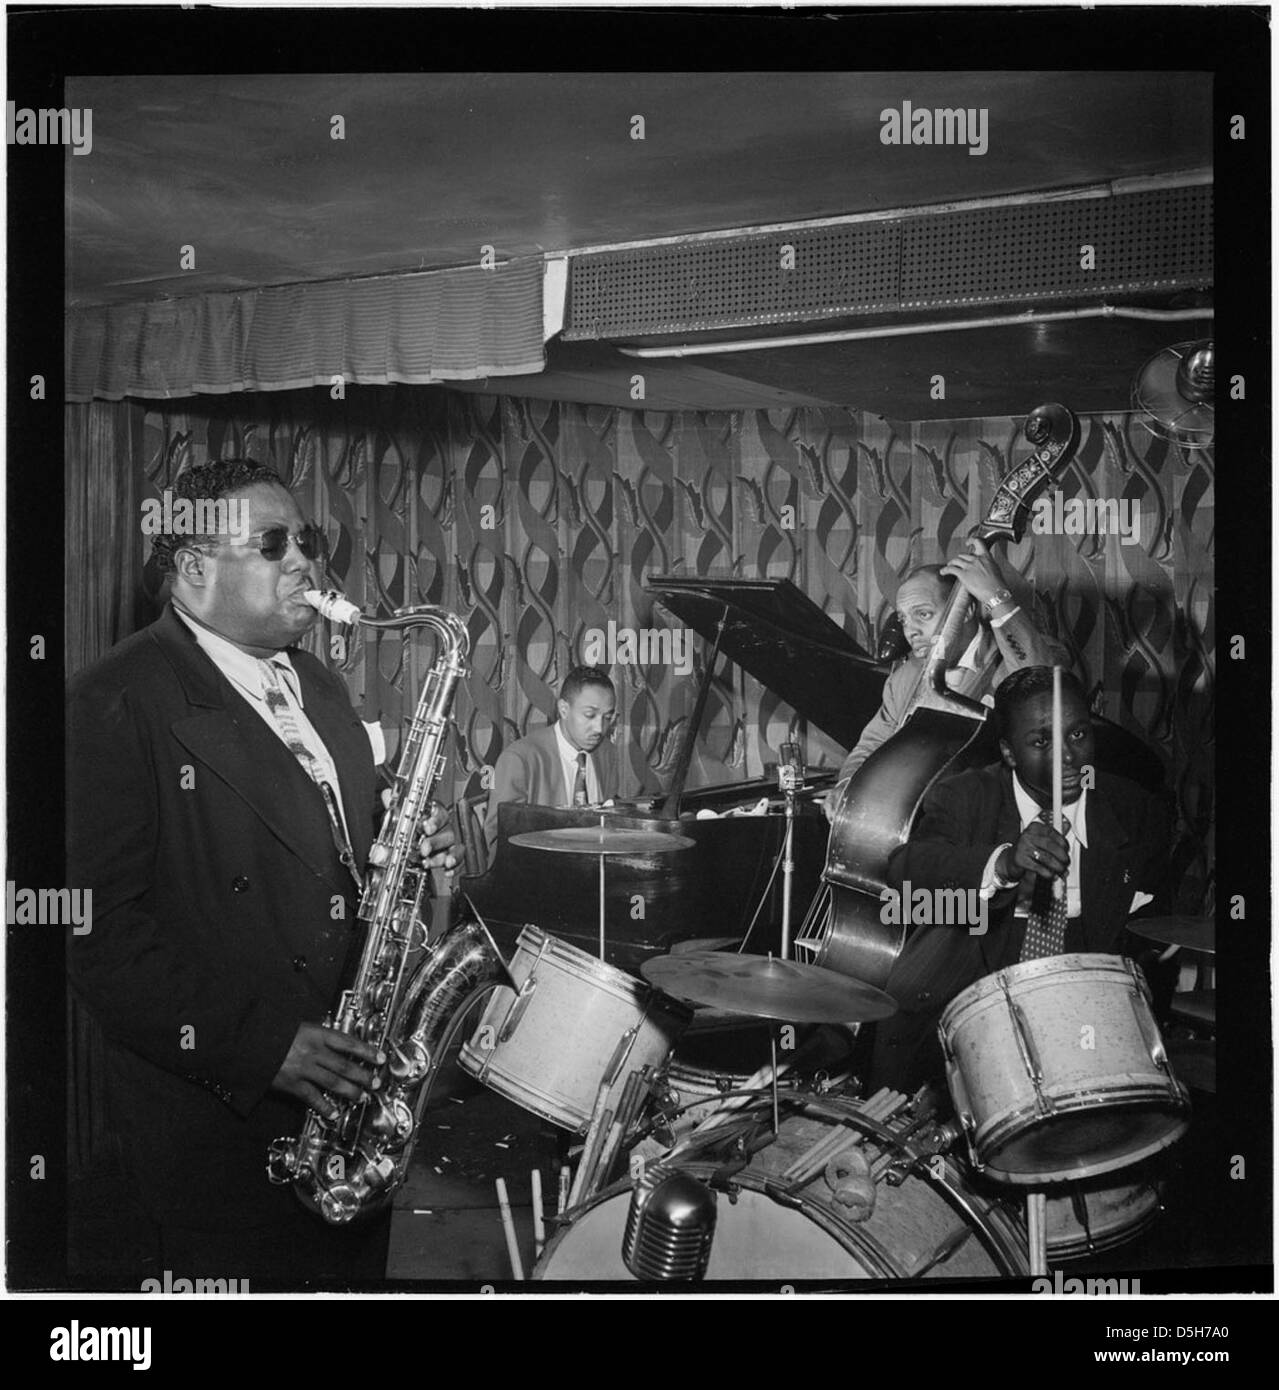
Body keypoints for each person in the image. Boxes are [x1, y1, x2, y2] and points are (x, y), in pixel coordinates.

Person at [67, 458, 458, 1287]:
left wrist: (409, 848)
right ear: (195, 568)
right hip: (221, 1132)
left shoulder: (315, 681)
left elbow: (328, 845)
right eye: (274, 543)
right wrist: (259, 1048)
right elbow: (94, 934)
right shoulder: (111, 699)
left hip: (348, 1110)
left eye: (305, 541)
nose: (306, 564)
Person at [867, 666, 1170, 1093]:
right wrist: (1003, 864)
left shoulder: (1134, 811)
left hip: (1084, 1010)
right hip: (964, 991)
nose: (1067, 757)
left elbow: (1153, 934)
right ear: (1009, 752)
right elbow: (907, 875)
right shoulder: (964, 796)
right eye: (1041, 741)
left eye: (1078, 735)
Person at [824, 540, 1069, 818]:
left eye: (923, 615)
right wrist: (848, 784)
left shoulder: (1024, 654)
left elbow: (1039, 680)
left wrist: (995, 596)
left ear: (965, 611)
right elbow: (872, 744)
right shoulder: (904, 678)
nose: (911, 631)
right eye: (904, 619)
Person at [484, 665, 619, 856]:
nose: (599, 728)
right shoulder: (519, 759)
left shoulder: (607, 753)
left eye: (607, 717)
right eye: (590, 715)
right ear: (563, 709)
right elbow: (497, 840)